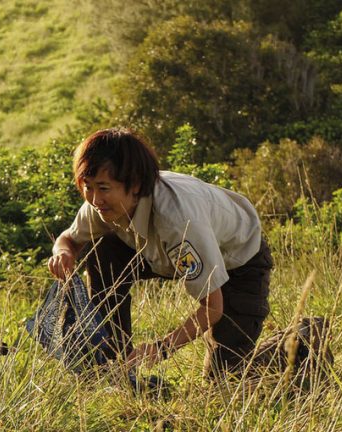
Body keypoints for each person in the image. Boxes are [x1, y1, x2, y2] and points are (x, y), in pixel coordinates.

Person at [47, 128, 273, 377]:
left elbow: (212, 307)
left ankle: (298, 343)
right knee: (103, 248)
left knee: (225, 377)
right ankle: (113, 359)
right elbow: (68, 239)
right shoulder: (102, 204)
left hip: (239, 262)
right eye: (87, 187)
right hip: (162, 254)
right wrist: (63, 253)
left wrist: (161, 348)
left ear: (135, 185)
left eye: (103, 188)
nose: (94, 198)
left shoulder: (178, 220)